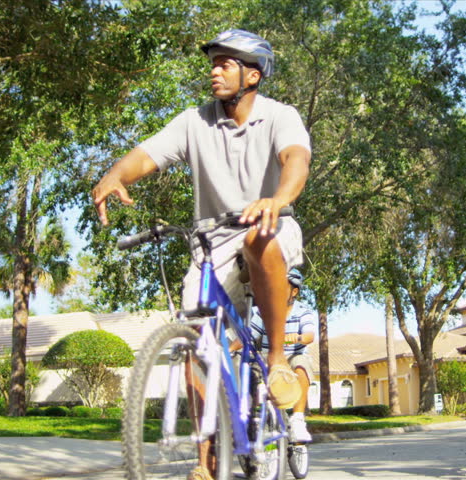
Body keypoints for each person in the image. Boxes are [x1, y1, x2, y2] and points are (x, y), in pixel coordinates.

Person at [92, 29, 311, 480]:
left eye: (224, 63)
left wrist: (276, 199)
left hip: (270, 224)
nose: (214, 71)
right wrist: (116, 175)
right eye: (212, 63)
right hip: (211, 240)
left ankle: (275, 363)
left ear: (253, 74)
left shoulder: (279, 116)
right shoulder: (194, 121)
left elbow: (296, 161)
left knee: (259, 240)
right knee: (196, 341)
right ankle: (206, 461)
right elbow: (147, 155)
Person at [249, 268, 316, 443]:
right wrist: (231, 347)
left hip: (293, 355)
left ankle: (298, 419)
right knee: (249, 373)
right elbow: (249, 336)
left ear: (294, 291)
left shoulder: (303, 311)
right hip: (267, 356)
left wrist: (297, 338)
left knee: (302, 364)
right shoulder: (263, 312)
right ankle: (252, 420)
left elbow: (309, 336)